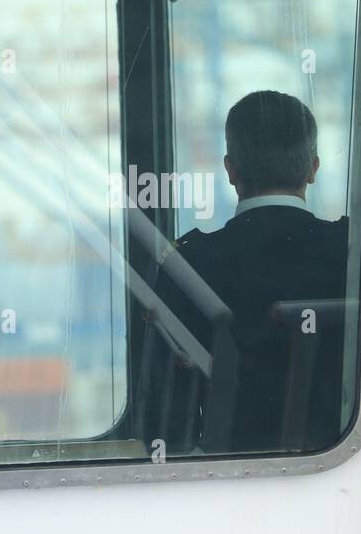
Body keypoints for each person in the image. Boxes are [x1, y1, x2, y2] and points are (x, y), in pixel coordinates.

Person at [144, 91, 349, 454]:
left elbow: (166, 411)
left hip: (223, 479)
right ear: (313, 168)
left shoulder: (188, 265)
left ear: (230, 170)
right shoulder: (352, 251)